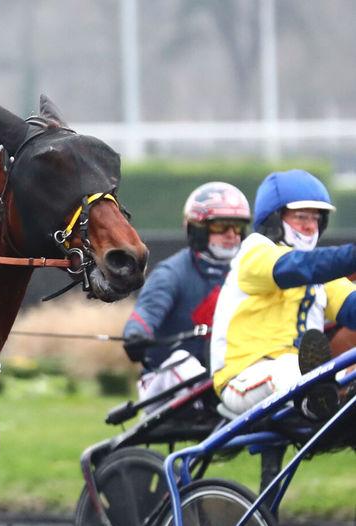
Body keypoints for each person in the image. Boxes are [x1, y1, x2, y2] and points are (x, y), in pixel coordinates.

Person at [211, 169, 356, 417]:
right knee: (292, 369)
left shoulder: (320, 275)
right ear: (275, 220)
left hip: (302, 375)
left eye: (316, 219)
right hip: (241, 377)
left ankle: (324, 397)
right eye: (301, 217)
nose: (310, 227)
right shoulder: (254, 253)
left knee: (327, 373)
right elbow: (297, 268)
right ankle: (317, 406)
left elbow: (351, 305)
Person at [122, 182, 251, 402]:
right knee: (183, 362)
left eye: (237, 227)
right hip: (163, 386)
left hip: (224, 379)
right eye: (222, 227)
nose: (232, 235)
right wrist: (136, 334)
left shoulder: (251, 272)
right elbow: (145, 314)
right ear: (198, 229)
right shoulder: (171, 273)